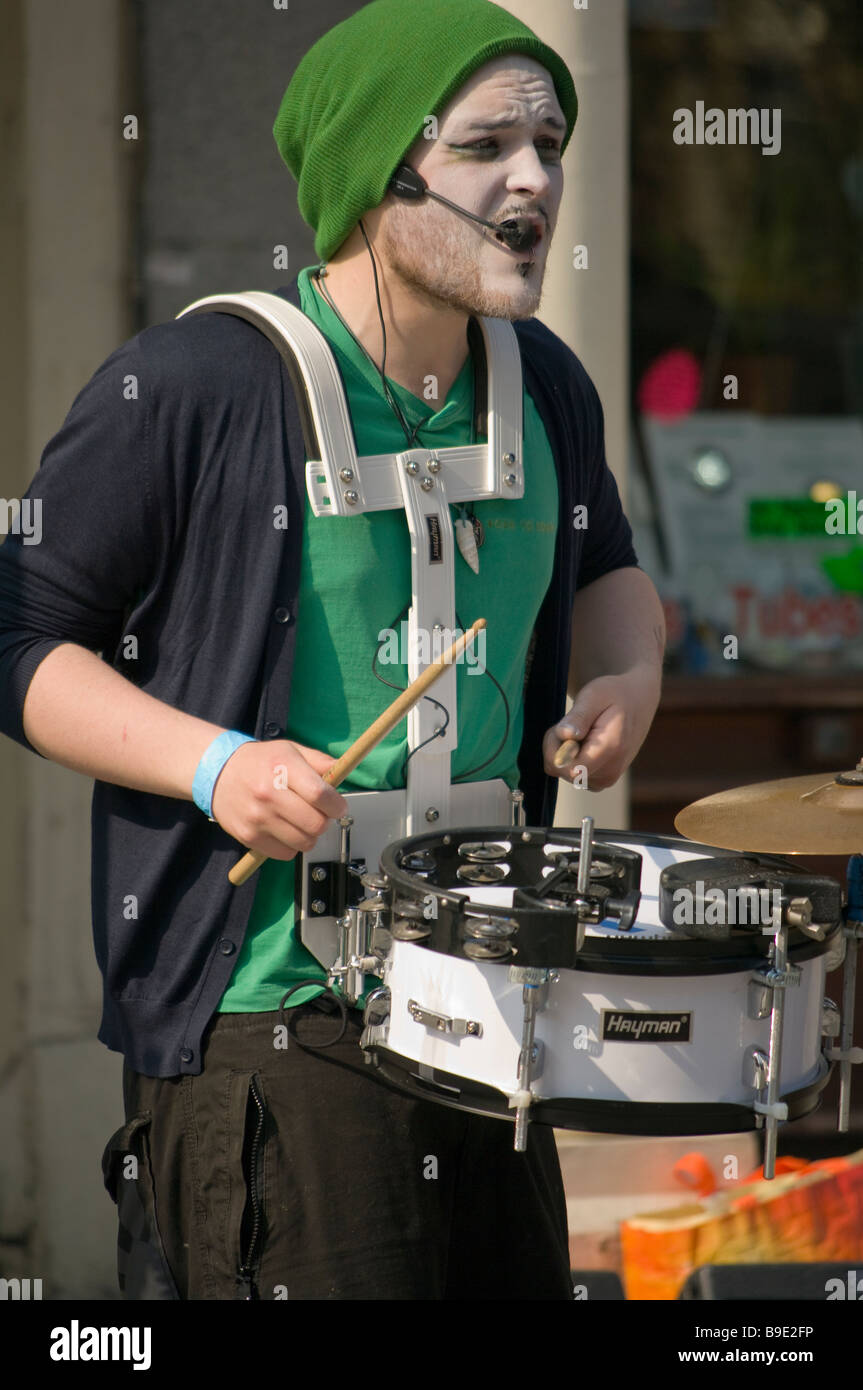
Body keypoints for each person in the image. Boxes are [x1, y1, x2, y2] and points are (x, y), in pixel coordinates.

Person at [0, 0, 665, 1300]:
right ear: (376, 179)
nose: (535, 177)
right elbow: (21, 632)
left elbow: (609, 575)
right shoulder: (196, 386)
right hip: (275, 1026)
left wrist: (627, 674)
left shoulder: (550, 389)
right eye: (489, 146)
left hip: (490, 1003)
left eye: (549, 140)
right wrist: (216, 767)